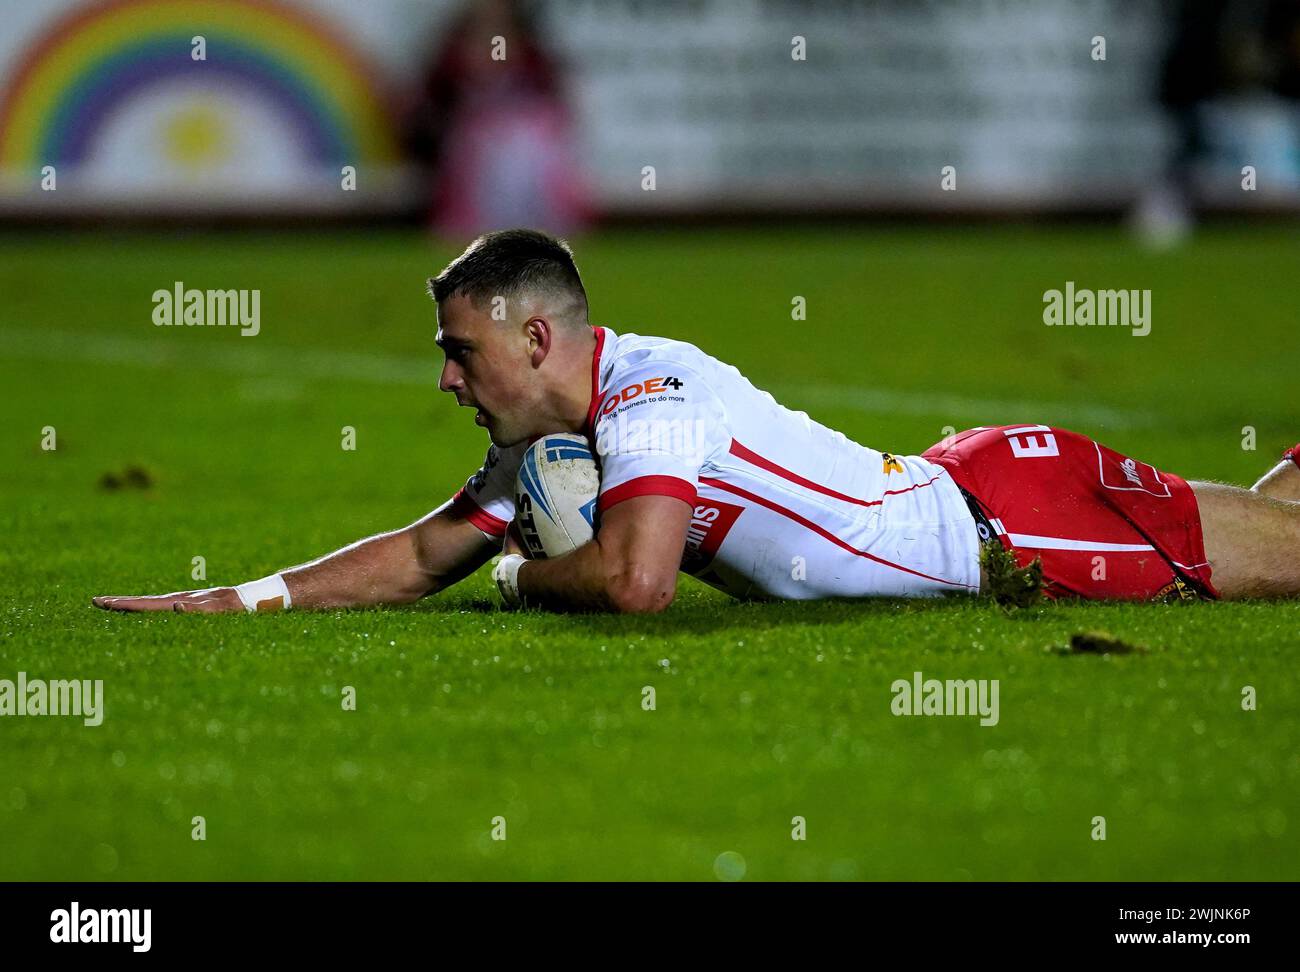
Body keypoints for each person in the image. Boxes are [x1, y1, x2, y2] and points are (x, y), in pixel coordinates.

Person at [93, 229, 1300, 615]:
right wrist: (232, 601)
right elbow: (418, 555)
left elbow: (635, 584)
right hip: (975, 484)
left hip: (1007, 531)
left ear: (534, 340)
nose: (450, 382)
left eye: (461, 354)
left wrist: (521, 580)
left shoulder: (649, 397)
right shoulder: (549, 447)